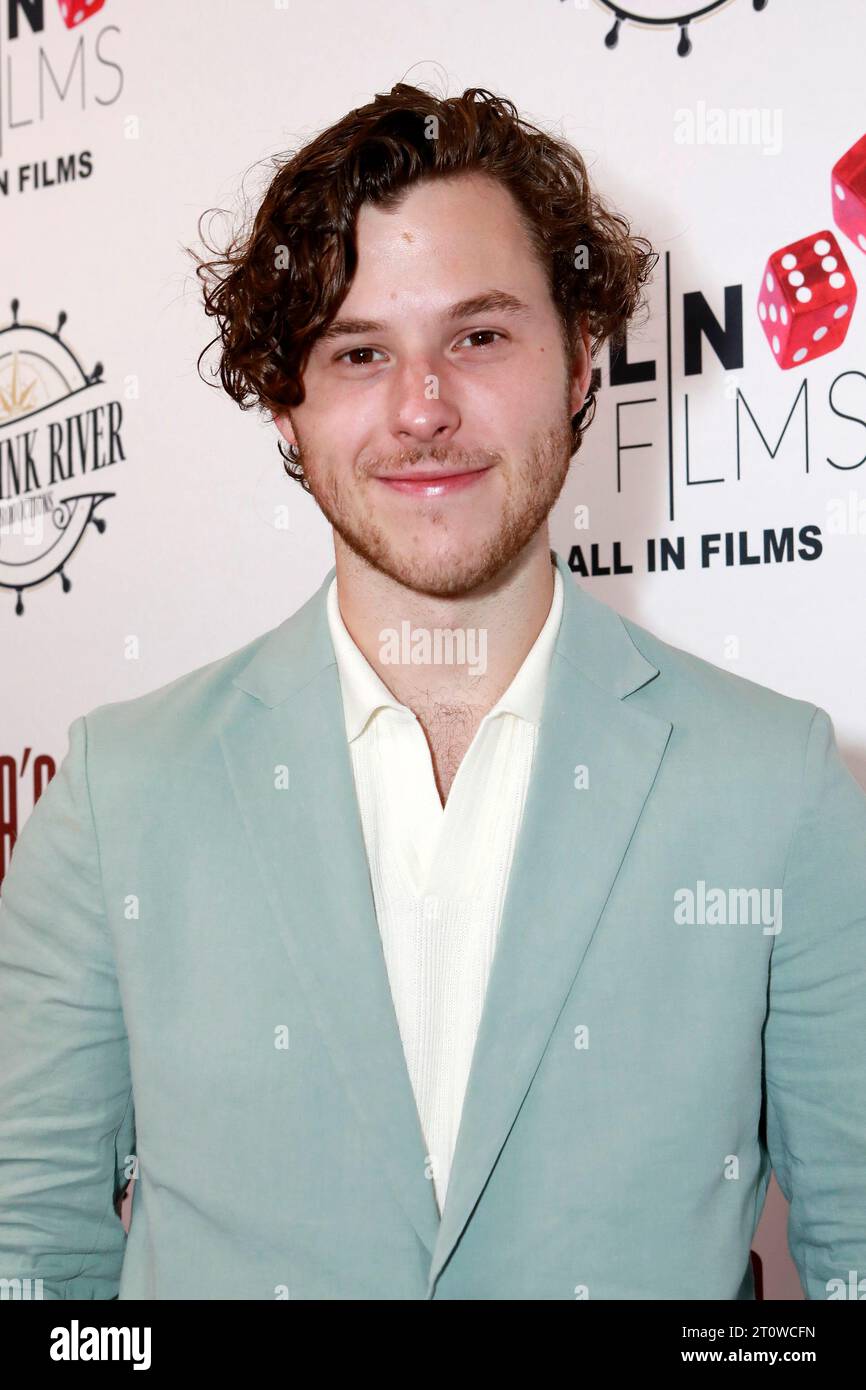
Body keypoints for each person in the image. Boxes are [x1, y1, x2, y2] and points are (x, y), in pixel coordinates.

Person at [1, 83, 865, 1302]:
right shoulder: (114, 796)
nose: (423, 409)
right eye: (359, 352)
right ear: (286, 407)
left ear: (578, 362)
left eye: (479, 336)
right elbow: (31, 1261)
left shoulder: (775, 784)